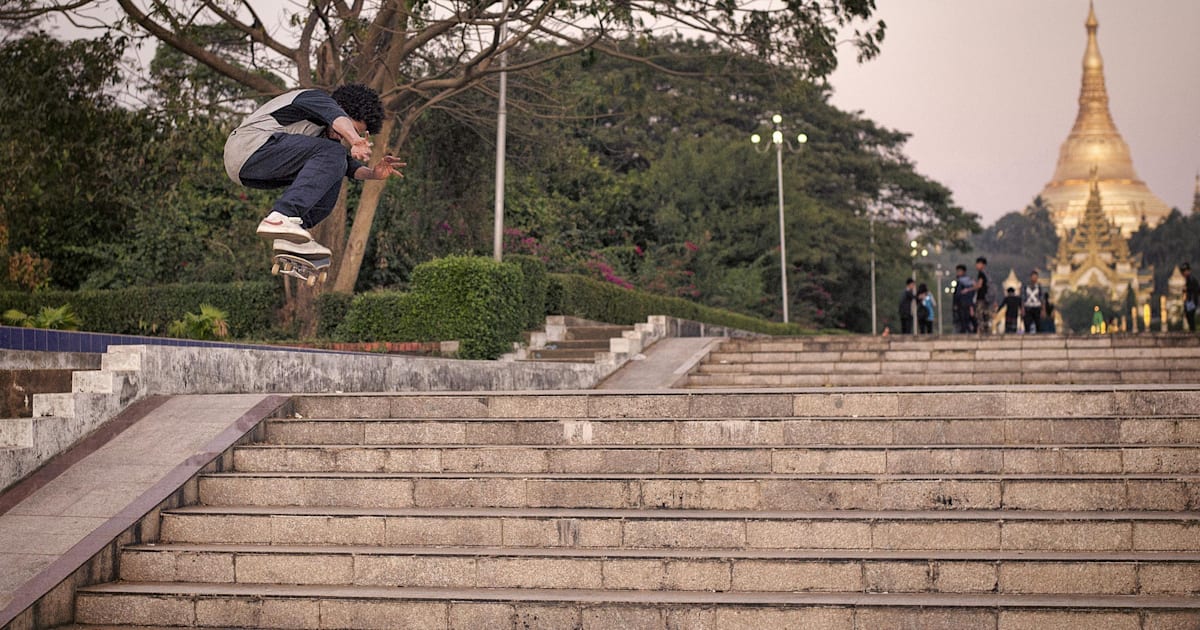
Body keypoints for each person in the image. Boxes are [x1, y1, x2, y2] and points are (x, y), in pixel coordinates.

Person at [223, 84, 405, 261]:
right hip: (248, 147)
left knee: (337, 163)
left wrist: (373, 174)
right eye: (351, 128)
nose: (344, 137)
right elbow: (338, 119)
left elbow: (348, 165)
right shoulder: (316, 98)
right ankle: (282, 215)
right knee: (335, 152)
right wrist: (355, 140)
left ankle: (293, 233)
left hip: (250, 170)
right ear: (340, 109)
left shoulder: (324, 139)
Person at [953, 264, 976, 333]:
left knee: (966, 321)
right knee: (963, 321)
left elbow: (969, 295)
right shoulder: (960, 282)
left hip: (965, 304)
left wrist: (971, 305)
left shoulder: (966, 283)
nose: (958, 273)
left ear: (963, 272)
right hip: (961, 304)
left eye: (959, 271)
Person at [974, 257, 991, 334]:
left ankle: (981, 331)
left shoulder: (981, 274)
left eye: (978, 264)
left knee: (980, 315)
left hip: (981, 298)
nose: (976, 265)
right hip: (987, 298)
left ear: (982, 265)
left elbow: (979, 285)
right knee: (985, 315)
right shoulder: (987, 274)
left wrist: (971, 288)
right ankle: (986, 331)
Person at [1182, 263, 1200, 332]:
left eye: (1185, 271)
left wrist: (1186, 289)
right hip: (1190, 301)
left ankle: (1192, 330)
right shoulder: (1188, 279)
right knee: (1188, 315)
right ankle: (1192, 330)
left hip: (1192, 301)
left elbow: (1196, 289)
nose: (1184, 273)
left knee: (1190, 315)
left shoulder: (1191, 279)